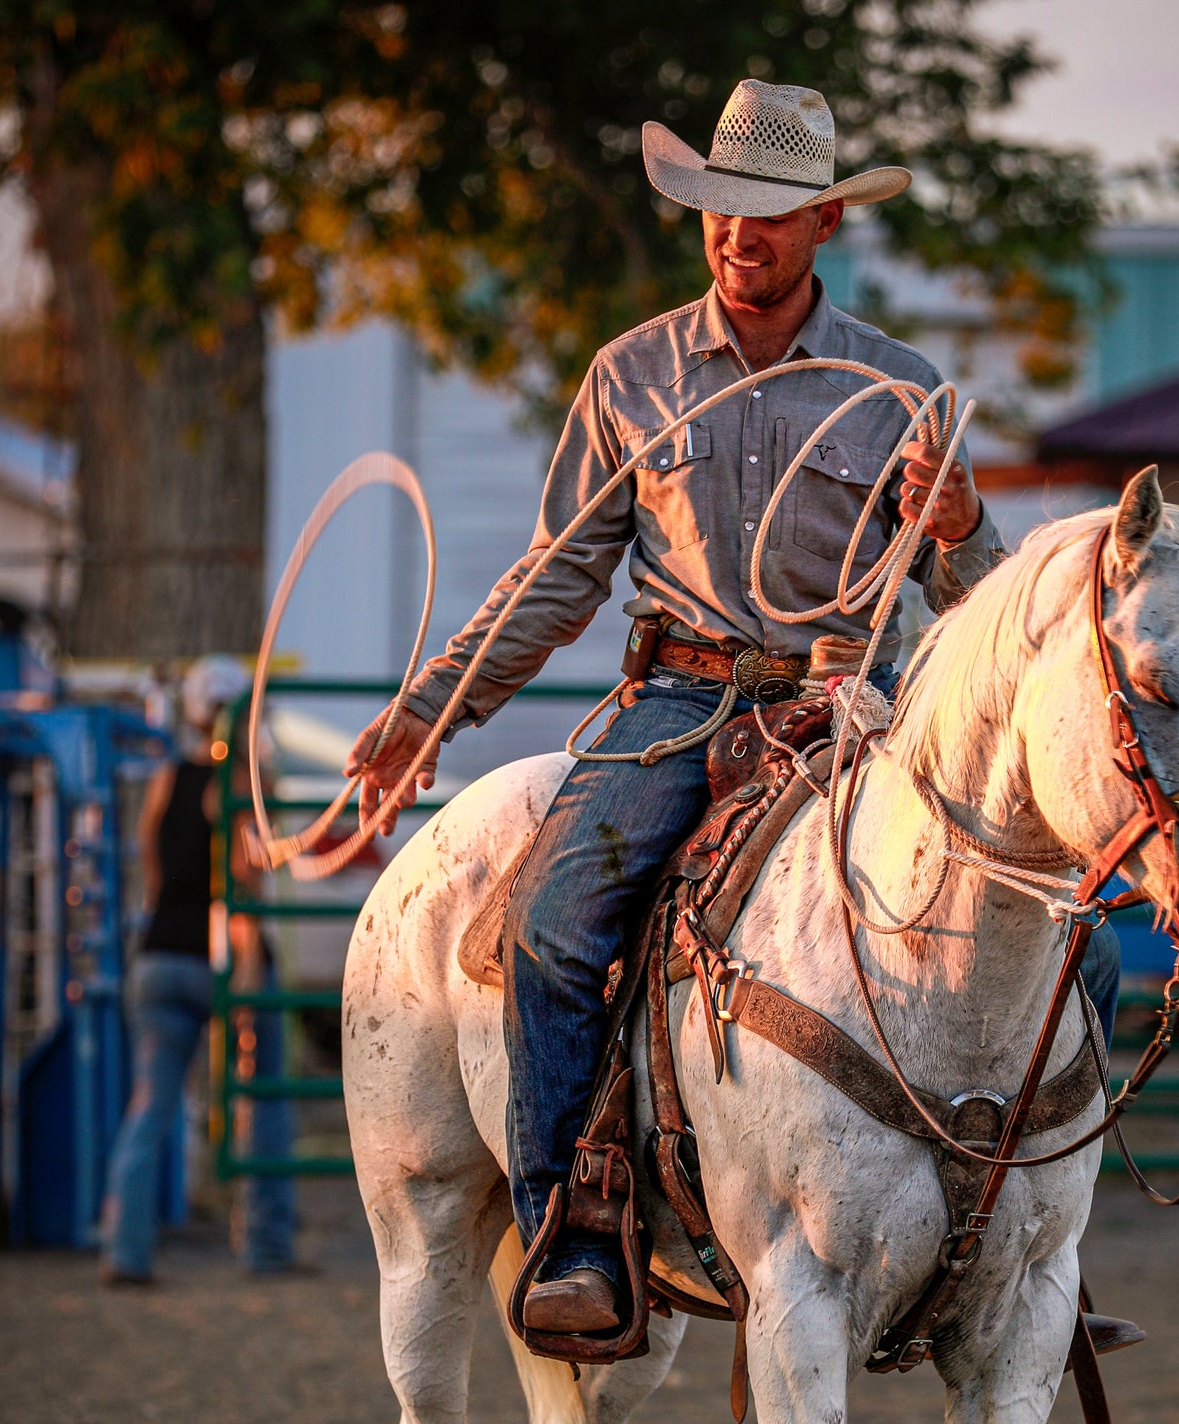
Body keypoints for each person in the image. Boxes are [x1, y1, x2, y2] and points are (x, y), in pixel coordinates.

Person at [347, 79, 1121, 1335]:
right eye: (719, 212)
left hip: (851, 710)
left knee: (1079, 935)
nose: (735, 236)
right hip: (678, 701)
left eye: (766, 216)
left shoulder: (898, 387)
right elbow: (551, 582)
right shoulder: (633, 375)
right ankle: (576, 1228)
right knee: (551, 923)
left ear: (822, 224)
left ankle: (1029, 1246)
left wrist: (966, 527)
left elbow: (984, 612)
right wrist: (426, 715)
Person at [98, 655, 299, 1284]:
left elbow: (154, 873)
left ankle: (124, 1251)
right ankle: (266, 1246)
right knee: (262, 1100)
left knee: (151, 1106)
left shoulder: (166, 779)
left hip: (160, 957)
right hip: (229, 961)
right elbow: (245, 878)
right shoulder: (244, 786)